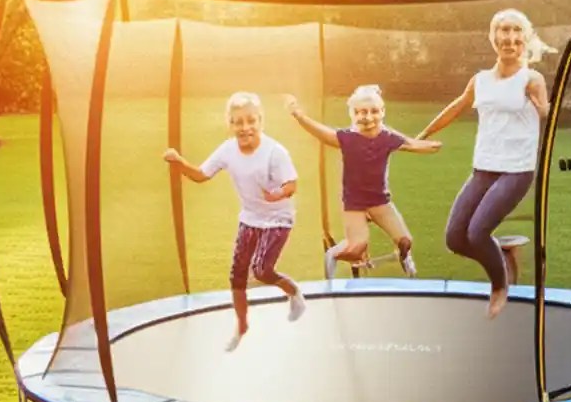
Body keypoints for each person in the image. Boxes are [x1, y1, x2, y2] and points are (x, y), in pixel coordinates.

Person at [416, 8, 554, 318]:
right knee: (455, 238)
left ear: (525, 39)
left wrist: (543, 109)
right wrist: (423, 134)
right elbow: (457, 107)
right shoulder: (480, 80)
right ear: (493, 38)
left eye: (516, 31)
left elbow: (546, 113)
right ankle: (502, 252)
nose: (510, 38)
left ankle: (500, 285)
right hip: (484, 167)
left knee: (477, 232)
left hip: (517, 170)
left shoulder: (531, 79)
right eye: (504, 30)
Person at [164, 91, 306, 351]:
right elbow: (201, 175)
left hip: (278, 219)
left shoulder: (275, 152)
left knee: (261, 270)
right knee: (237, 276)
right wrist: (178, 162)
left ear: (261, 121)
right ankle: (241, 326)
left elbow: (291, 185)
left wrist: (275, 195)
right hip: (250, 218)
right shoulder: (228, 150)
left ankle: (293, 292)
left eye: (251, 121)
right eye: (238, 122)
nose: (245, 127)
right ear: (230, 124)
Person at [283, 85, 441, 279]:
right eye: (361, 112)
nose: (368, 117)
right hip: (354, 203)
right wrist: (299, 116)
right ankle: (333, 253)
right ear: (352, 114)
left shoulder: (388, 137)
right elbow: (322, 133)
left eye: (374, 111)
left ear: (382, 112)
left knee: (405, 241)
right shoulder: (347, 138)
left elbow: (412, 144)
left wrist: (433, 145)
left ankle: (404, 257)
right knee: (357, 247)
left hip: (380, 202)